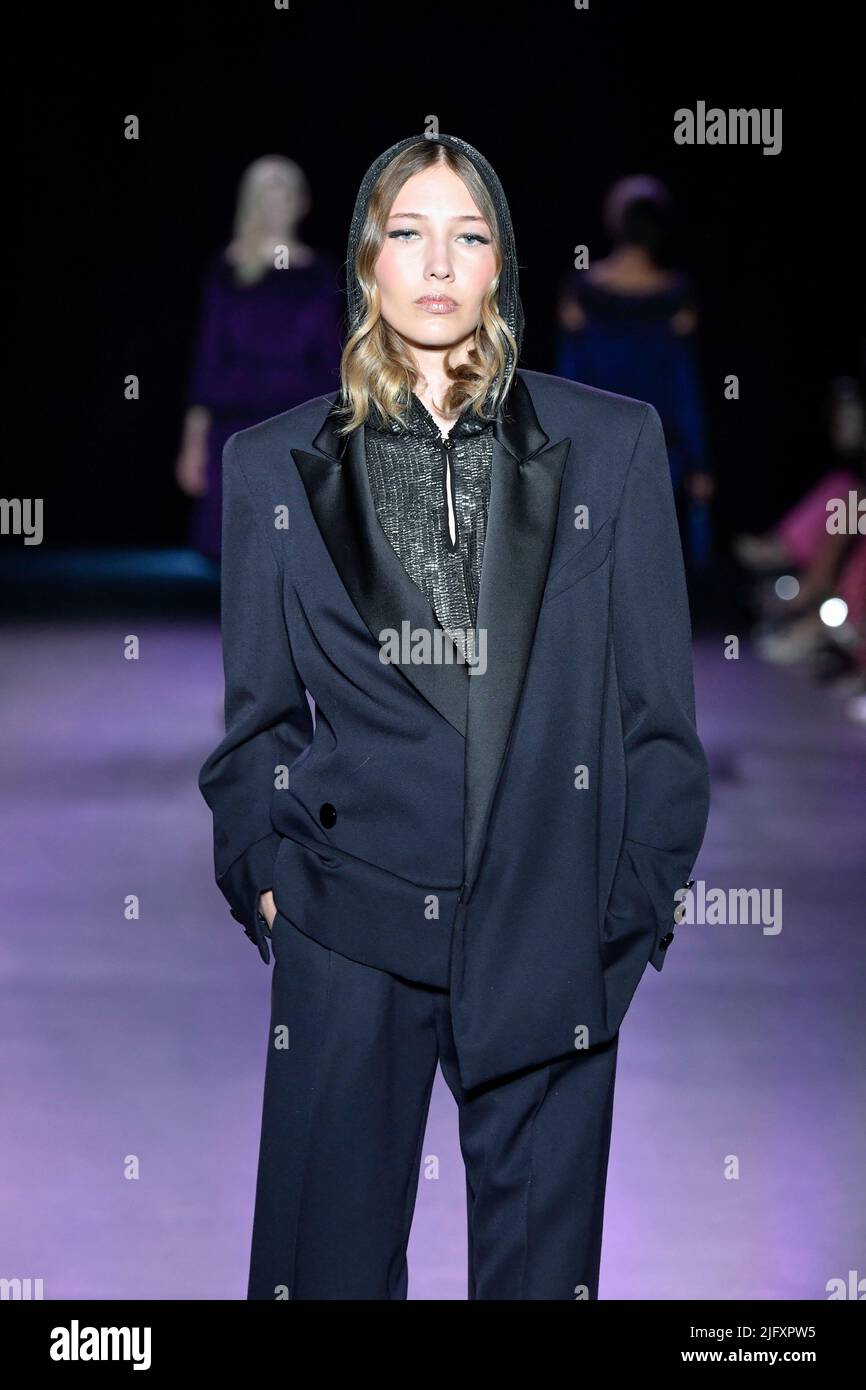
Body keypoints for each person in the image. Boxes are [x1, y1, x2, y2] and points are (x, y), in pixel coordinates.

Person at [197, 132, 711, 1301]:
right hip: (349, 928)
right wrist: (270, 881)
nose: (437, 264)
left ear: (500, 266)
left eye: (467, 236)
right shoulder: (274, 465)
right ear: (365, 262)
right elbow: (255, 726)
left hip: (547, 932)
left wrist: (620, 919)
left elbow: (659, 728)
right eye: (408, 234)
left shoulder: (609, 445)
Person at [176, 155, 342, 561]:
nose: (275, 205)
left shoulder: (319, 273)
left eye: (284, 194)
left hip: (301, 417)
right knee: (239, 536)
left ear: (301, 202)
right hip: (239, 419)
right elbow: (210, 354)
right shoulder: (227, 269)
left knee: (300, 535)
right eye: (265, 195)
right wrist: (193, 441)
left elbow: (331, 358)